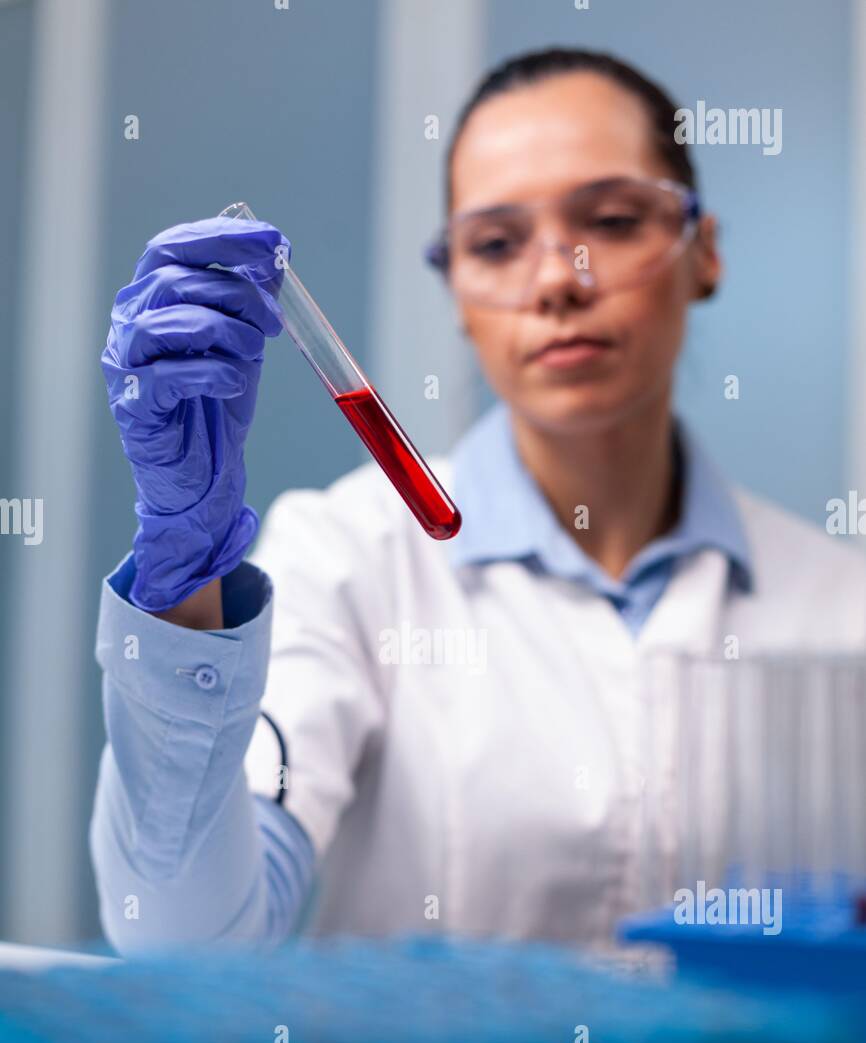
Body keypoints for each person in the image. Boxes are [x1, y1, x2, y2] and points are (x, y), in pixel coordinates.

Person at [92, 47, 866, 957]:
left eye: (611, 221)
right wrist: (184, 585)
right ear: (457, 288)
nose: (556, 281)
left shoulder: (838, 603)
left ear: (704, 254)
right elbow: (182, 940)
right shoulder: (346, 557)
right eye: (496, 244)